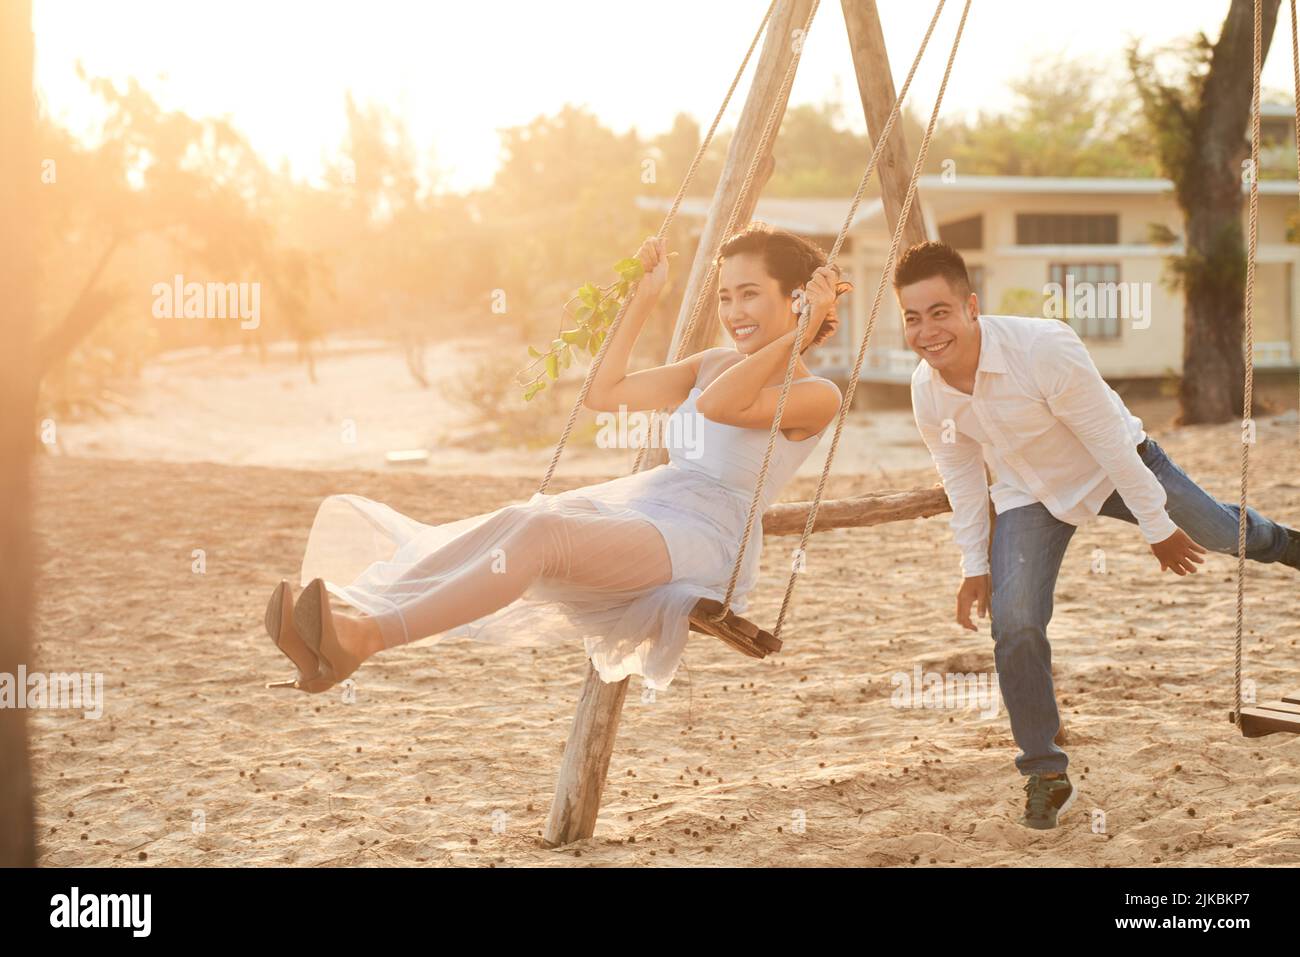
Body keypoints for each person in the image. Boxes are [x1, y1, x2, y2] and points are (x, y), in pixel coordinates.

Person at [263, 223, 847, 695]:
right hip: (654, 506)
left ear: (796, 298)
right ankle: (348, 621)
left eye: (750, 294)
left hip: (708, 540)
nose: (734, 310)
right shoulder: (713, 363)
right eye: (725, 296)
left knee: (542, 534)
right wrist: (644, 299)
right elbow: (604, 393)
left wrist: (800, 335)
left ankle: (364, 637)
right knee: (520, 519)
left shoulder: (817, 395)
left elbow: (723, 407)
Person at [897, 240, 1300, 830]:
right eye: (912, 317)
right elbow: (960, 476)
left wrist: (1157, 526)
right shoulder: (926, 391)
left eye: (940, 312)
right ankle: (1045, 772)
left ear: (972, 307)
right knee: (1015, 622)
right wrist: (973, 565)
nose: (927, 331)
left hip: (1117, 467)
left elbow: (1112, 444)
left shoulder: (1043, 348)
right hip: (1030, 495)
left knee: (1218, 533)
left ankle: (1286, 544)